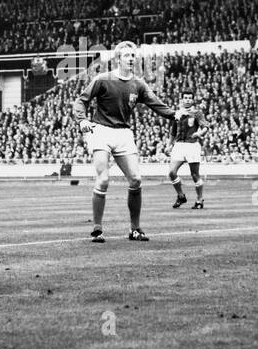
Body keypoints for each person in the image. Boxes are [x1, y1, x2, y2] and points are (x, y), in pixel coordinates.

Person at [72, 41, 181, 242]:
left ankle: (135, 229)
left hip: (123, 133)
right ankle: (97, 229)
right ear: (117, 59)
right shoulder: (102, 79)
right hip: (101, 130)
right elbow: (81, 101)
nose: (131, 58)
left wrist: (175, 114)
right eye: (127, 55)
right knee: (103, 179)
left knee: (136, 179)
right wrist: (82, 120)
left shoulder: (138, 84)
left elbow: (155, 103)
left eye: (133, 55)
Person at [168, 90, 206, 209]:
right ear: (182, 99)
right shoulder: (178, 113)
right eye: (186, 98)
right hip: (179, 145)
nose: (188, 100)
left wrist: (198, 133)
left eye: (190, 98)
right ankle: (181, 196)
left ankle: (199, 200)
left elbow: (205, 127)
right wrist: (169, 144)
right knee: (171, 172)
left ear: (193, 100)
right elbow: (173, 131)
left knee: (194, 175)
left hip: (192, 145)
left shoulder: (197, 113)